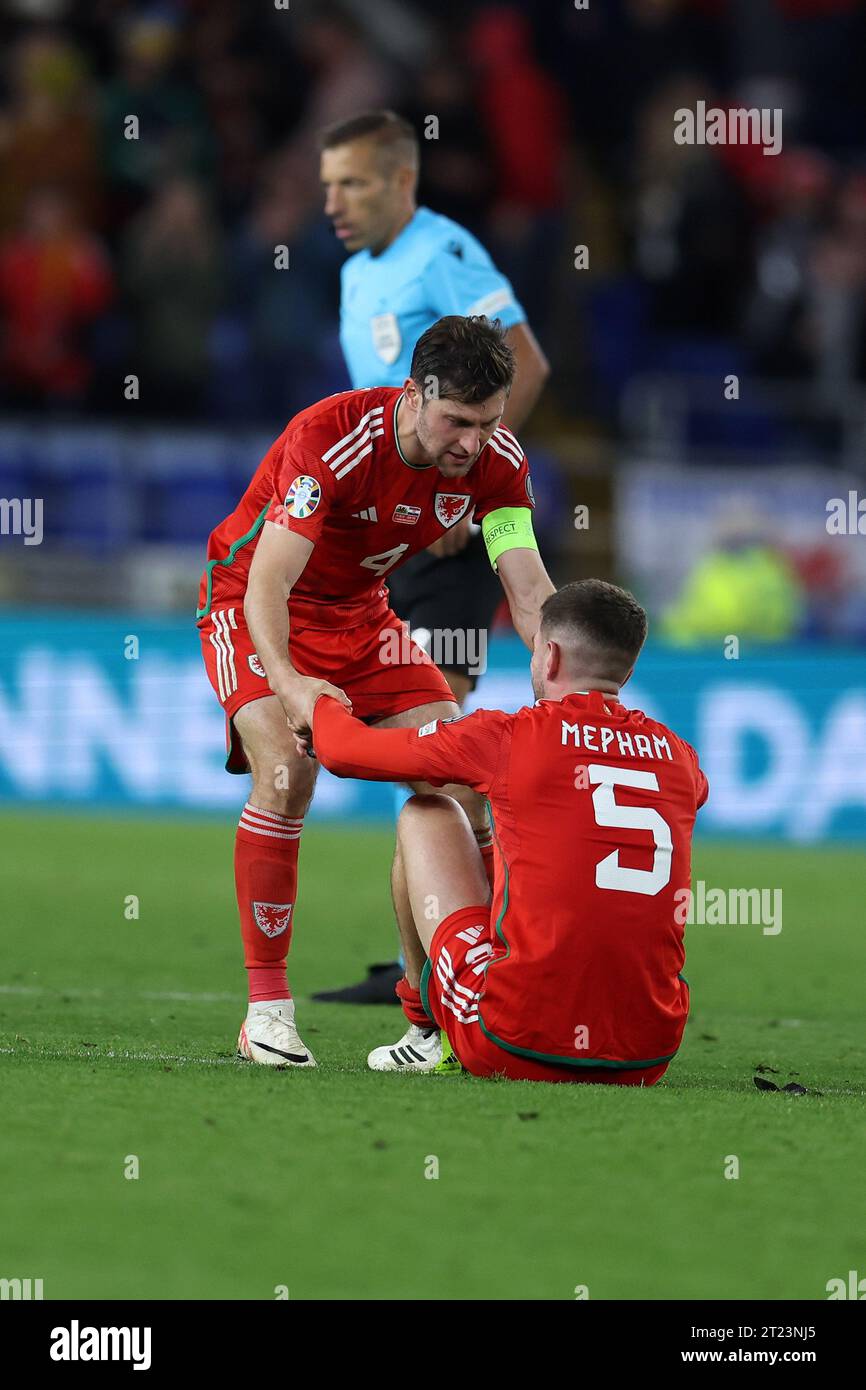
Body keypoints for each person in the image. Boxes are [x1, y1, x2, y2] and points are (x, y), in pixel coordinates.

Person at [196, 314, 554, 1067]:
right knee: (288, 775)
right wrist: (290, 685)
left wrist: (568, 685)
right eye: (457, 420)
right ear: (415, 393)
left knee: (459, 783)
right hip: (255, 606)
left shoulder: (496, 462)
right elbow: (269, 579)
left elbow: (527, 592)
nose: (471, 442)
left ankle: (431, 1015)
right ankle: (266, 1010)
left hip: (363, 619)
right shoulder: (332, 437)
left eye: (487, 422)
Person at [314, 108, 550, 1004]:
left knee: (438, 740)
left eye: (355, 183)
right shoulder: (353, 270)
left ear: (403, 182)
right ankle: (441, 942)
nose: (334, 201)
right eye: (328, 183)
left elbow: (524, 364)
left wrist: (467, 478)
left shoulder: (442, 252)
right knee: (423, 746)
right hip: (385, 538)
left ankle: (466, 950)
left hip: (442, 534)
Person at [310, 580, 708, 1081]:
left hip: (510, 1039)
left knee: (426, 811)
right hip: (645, 1056)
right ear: (627, 670)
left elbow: (345, 752)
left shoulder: (509, 736)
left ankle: (425, 1029)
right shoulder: (680, 758)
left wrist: (316, 697)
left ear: (551, 656)